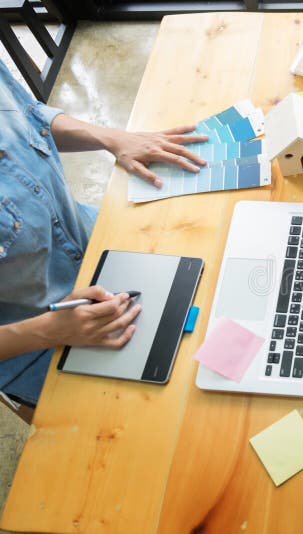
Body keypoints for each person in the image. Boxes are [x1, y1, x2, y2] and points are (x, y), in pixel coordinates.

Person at [0, 59, 208, 418]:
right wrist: (50, 330)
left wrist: (111, 138)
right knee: (152, 421)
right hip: (35, 342)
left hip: (93, 240)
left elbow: (28, 115)